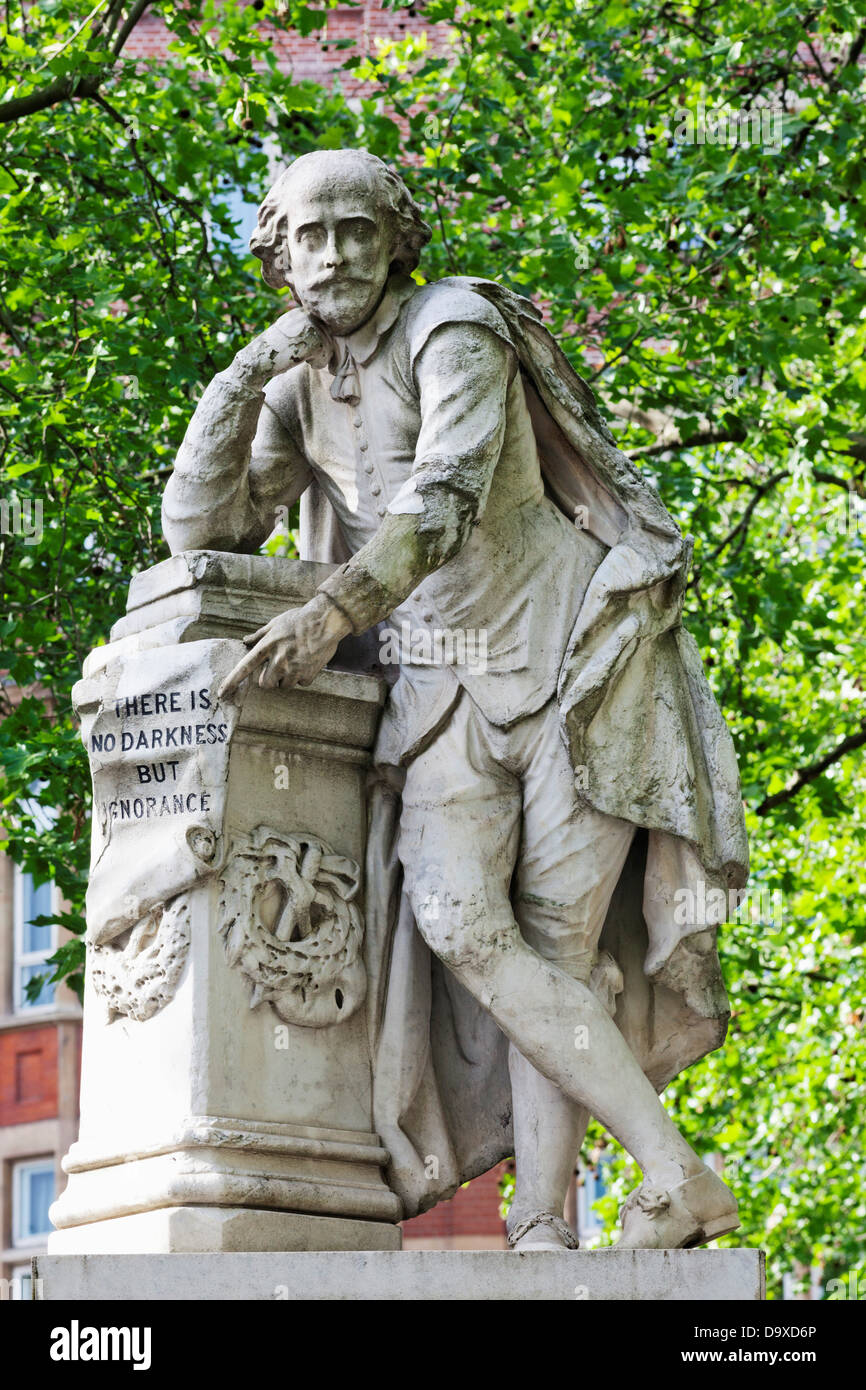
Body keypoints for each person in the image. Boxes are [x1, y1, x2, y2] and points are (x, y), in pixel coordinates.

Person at [163, 148, 748, 1251]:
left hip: (570, 660)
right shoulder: (299, 382)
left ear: (395, 239)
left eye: (353, 230)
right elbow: (202, 528)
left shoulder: (453, 327)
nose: (333, 254)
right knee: (462, 927)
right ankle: (674, 1171)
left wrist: (330, 614)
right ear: (279, 258)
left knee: (553, 949)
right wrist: (242, 377)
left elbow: (443, 495)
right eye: (308, 237)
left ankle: (541, 1229)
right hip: (434, 679)